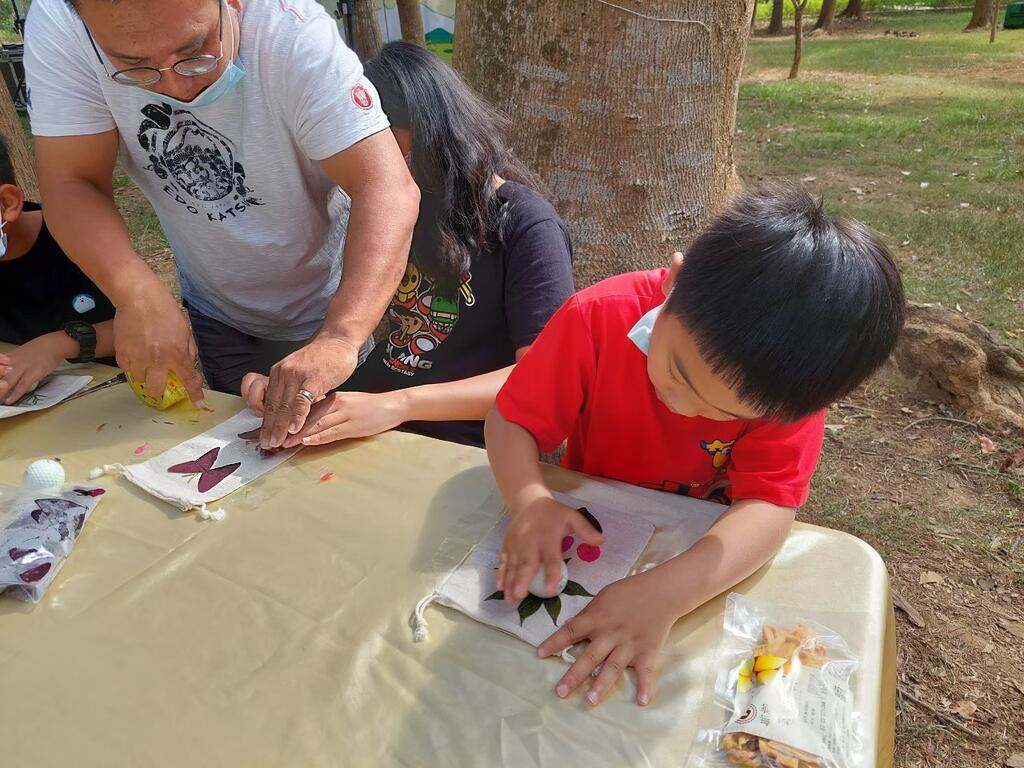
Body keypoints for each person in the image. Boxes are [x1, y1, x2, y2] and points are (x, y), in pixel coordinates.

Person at [485, 187, 906, 708]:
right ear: (675, 280)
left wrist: (669, 593)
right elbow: (511, 419)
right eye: (676, 373)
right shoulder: (597, 317)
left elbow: (770, 506)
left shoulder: (788, 390)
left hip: (712, 561)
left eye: (727, 415)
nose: (684, 408)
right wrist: (528, 500)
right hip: (602, 529)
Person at [24, 0, 419, 448]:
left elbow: (387, 188)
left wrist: (341, 337)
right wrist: (136, 293)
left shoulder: (292, 31)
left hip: (333, 298)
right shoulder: (62, 22)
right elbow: (72, 181)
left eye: (195, 53)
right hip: (216, 309)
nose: (176, 87)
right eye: (134, 67)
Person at [241, 42, 575, 448]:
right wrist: (295, 382)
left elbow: (541, 379)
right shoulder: (391, 210)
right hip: (376, 415)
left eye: (371, 139)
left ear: (422, 131)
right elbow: (355, 331)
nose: (359, 157)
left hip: (465, 442)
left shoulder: (525, 224)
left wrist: (399, 405)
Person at [0, 135, 115, 404]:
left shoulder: (76, 239)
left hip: (113, 400)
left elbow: (148, 325)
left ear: (7, 203)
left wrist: (58, 345)